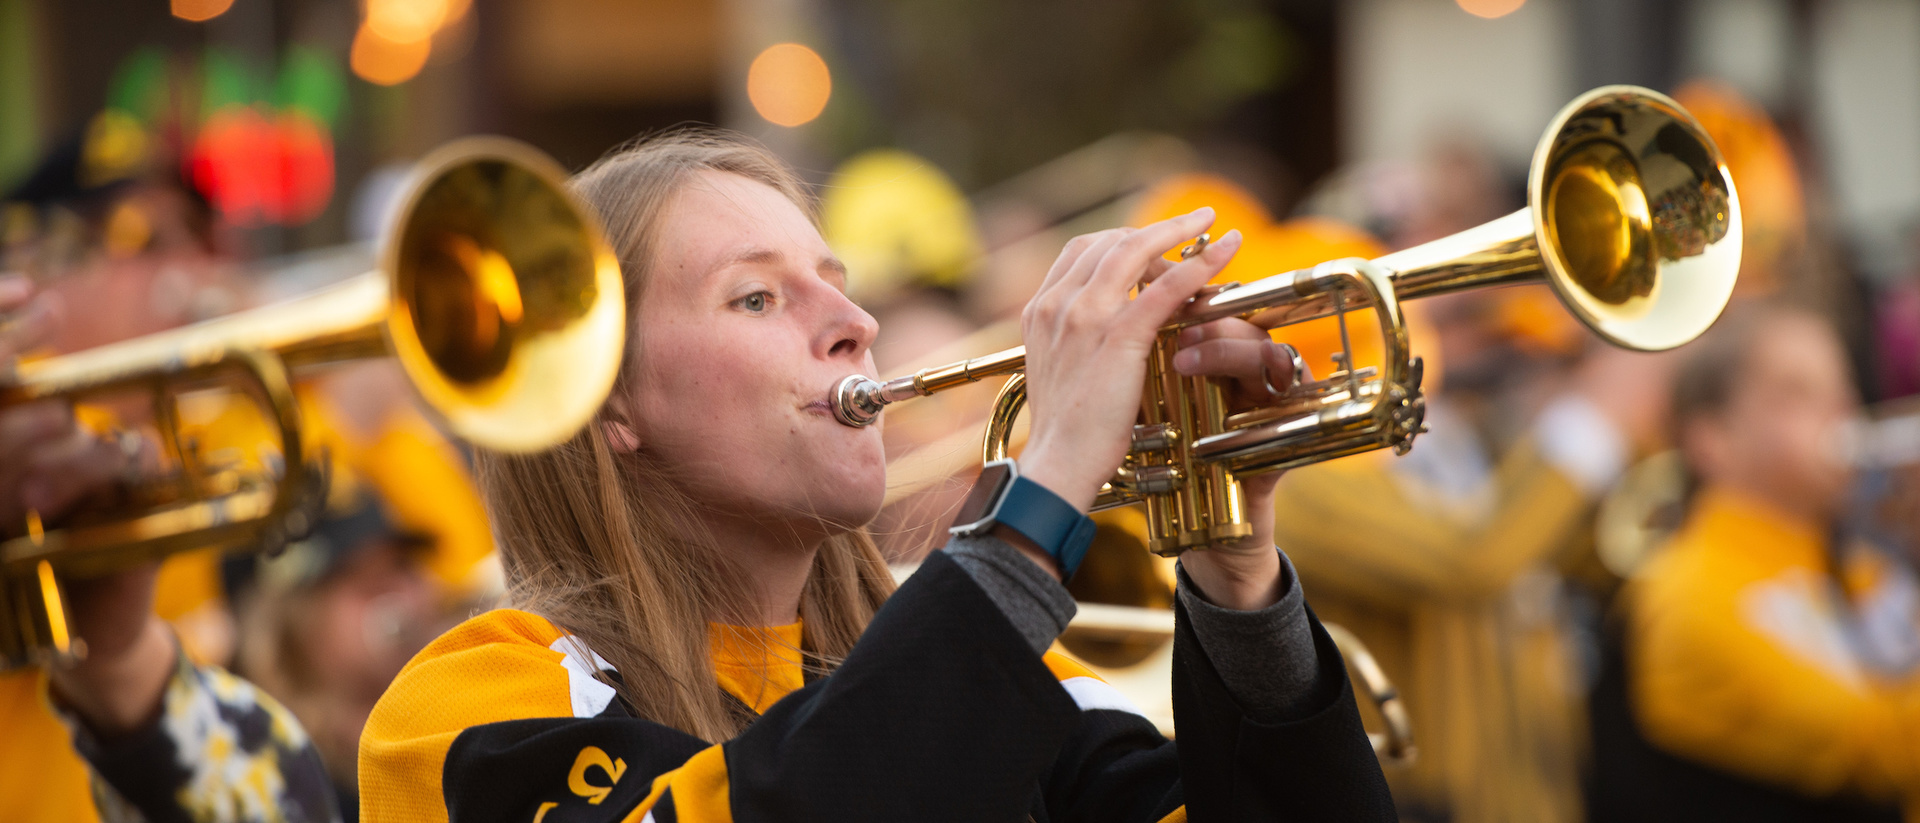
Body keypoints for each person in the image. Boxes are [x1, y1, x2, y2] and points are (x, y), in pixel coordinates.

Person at [358, 129, 1394, 822]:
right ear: (607, 399)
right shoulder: (461, 709)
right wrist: (1047, 482)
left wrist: (1236, 575)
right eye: (757, 298)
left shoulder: (1014, 673)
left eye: (839, 286)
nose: (855, 324)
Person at [0, 132, 338, 823]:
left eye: (192, 238)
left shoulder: (197, 436)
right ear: (36, 272)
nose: (185, 270)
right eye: (145, 241)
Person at [1587, 302, 1918, 821]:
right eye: (1796, 393)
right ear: (1712, 440)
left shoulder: (1858, 566)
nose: (1841, 409)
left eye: (1842, 386)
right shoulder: (1688, 596)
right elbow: (1882, 751)